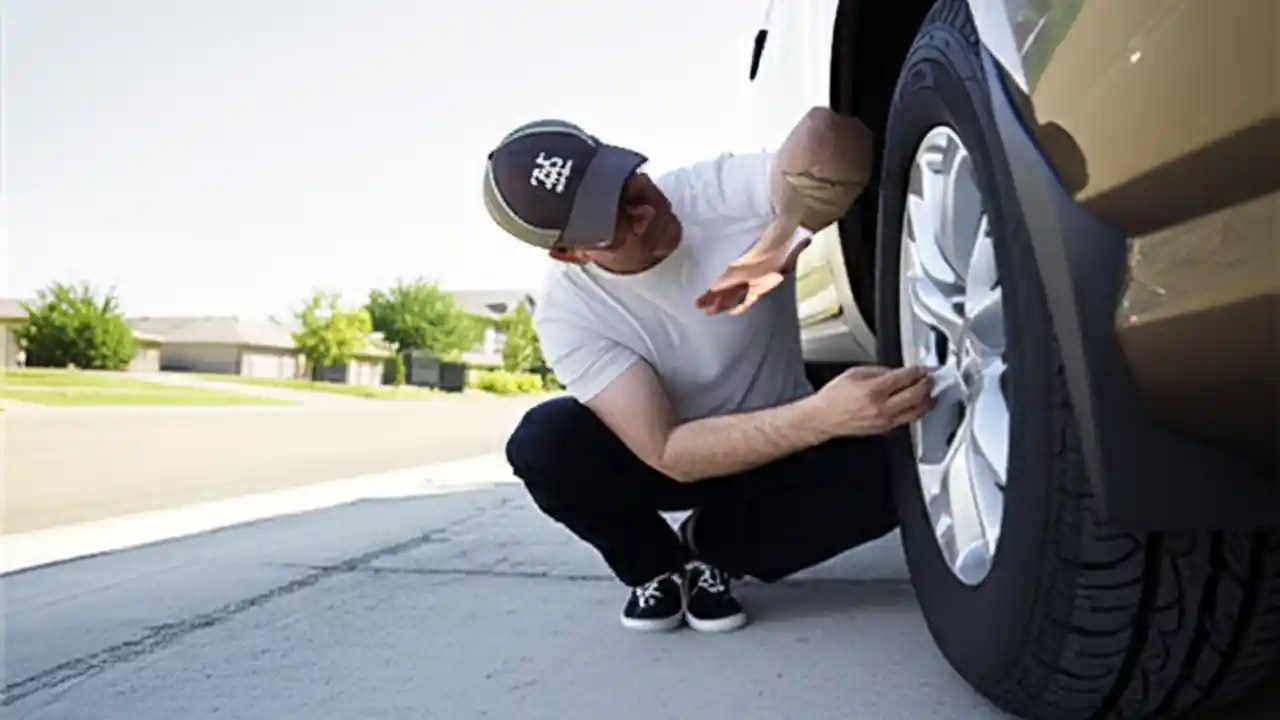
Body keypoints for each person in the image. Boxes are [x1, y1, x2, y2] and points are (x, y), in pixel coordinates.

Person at [482, 109, 935, 633]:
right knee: (545, 443)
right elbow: (668, 451)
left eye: (628, 185)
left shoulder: (707, 194)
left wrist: (779, 237)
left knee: (897, 462)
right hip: (676, 461)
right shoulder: (571, 313)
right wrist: (822, 416)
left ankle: (716, 549)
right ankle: (654, 568)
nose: (644, 214)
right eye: (614, 222)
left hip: (778, 456)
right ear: (570, 252)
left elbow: (832, 135)